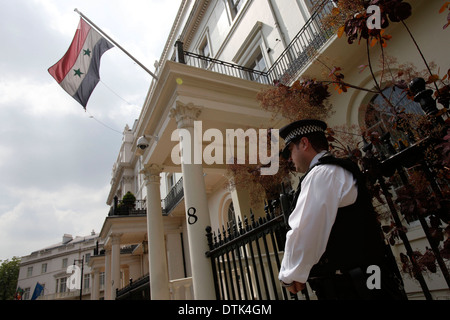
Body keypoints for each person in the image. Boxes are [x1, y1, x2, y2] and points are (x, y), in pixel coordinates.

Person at [278, 119, 406, 300]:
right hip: (370, 275)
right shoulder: (336, 169)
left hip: (353, 283)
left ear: (304, 143)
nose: (290, 159)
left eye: (290, 150)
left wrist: (290, 275)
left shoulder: (321, 174)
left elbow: (306, 229)